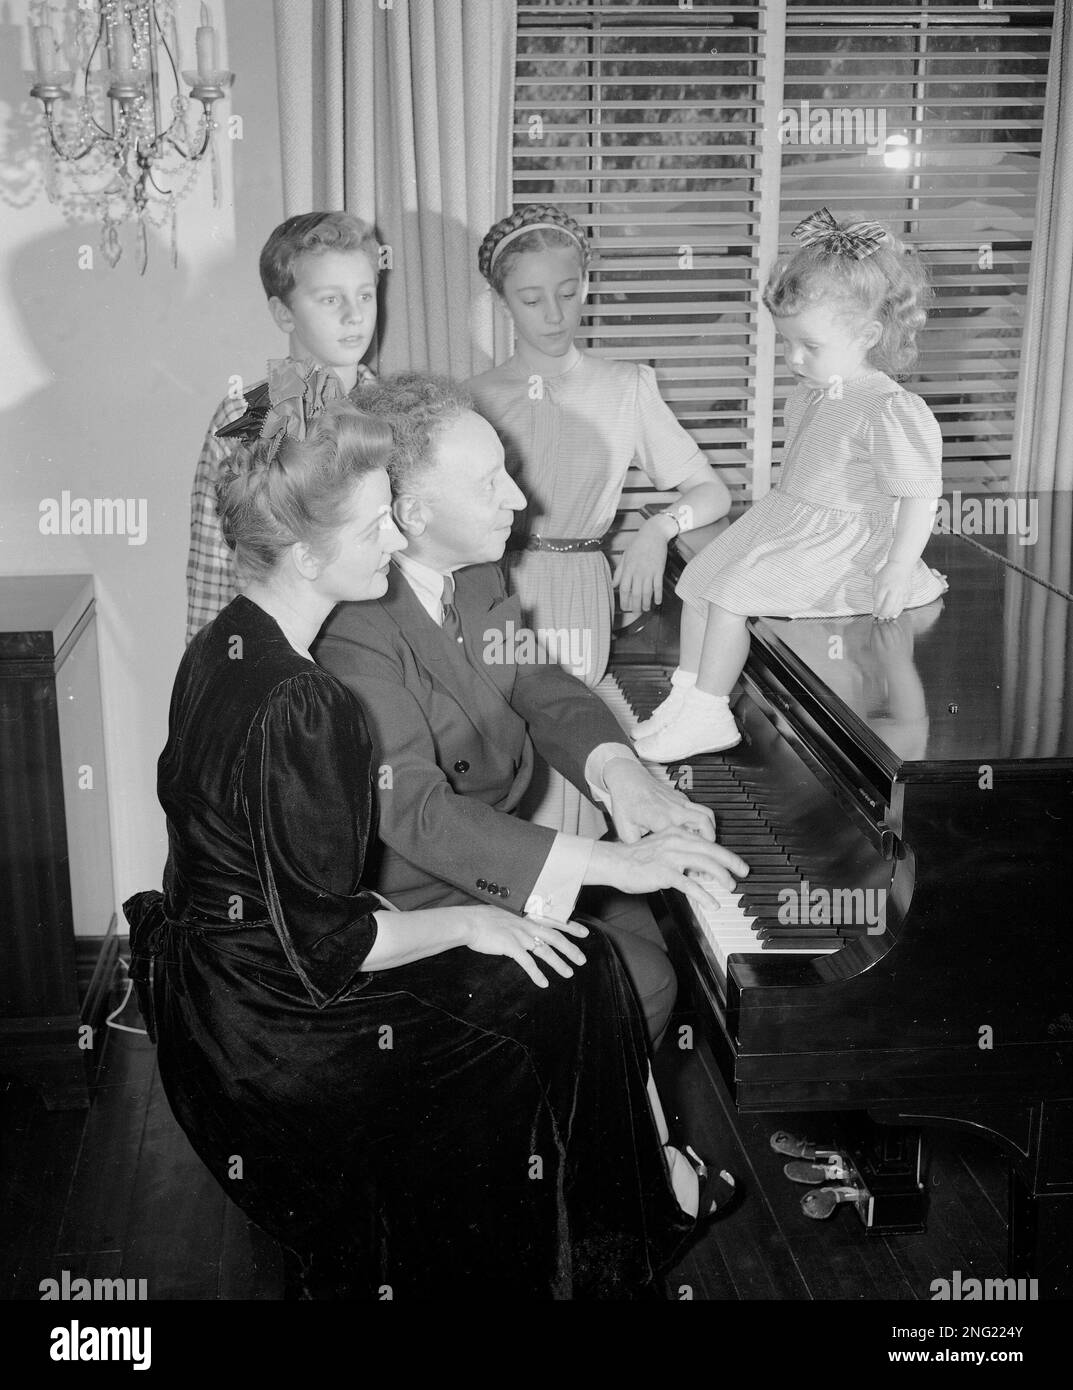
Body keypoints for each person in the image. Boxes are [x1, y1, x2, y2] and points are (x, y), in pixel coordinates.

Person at [123, 386, 726, 1301]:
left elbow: (284, 895)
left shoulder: (224, 645)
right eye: (378, 527)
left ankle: (619, 1213)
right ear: (303, 547)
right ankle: (603, 1245)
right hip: (285, 1027)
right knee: (588, 985)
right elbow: (330, 936)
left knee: (595, 971)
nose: (396, 543)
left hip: (227, 991)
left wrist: (616, 772)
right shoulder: (312, 690)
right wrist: (473, 926)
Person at [314, 374, 749, 1051]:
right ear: (410, 513)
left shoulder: (472, 572)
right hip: (416, 897)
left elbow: (538, 683)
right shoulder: (353, 630)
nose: (520, 499)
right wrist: (614, 864)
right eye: (490, 484)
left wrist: (621, 777)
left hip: (475, 858)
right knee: (646, 979)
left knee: (648, 923)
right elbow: (418, 816)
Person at [633, 208, 947, 764]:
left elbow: (918, 493)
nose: (794, 358)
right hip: (792, 520)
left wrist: (899, 565)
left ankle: (709, 713)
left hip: (846, 545)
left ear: (868, 335)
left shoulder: (890, 409)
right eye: (787, 343)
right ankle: (687, 698)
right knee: (700, 580)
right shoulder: (809, 393)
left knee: (732, 596)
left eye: (810, 346)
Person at [466, 203, 732, 835]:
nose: (554, 315)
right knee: (501, 742)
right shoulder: (473, 397)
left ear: (586, 282)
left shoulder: (626, 386)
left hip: (580, 585)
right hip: (494, 586)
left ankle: (571, 903)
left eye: (567, 292)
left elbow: (710, 491)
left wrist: (660, 528)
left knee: (572, 739)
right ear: (503, 301)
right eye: (532, 300)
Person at [185, 210, 380, 643]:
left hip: (380, 653)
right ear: (283, 313)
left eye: (365, 296)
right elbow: (215, 566)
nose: (354, 316)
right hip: (283, 651)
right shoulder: (246, 415)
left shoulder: (392, 411)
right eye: (331, 299)